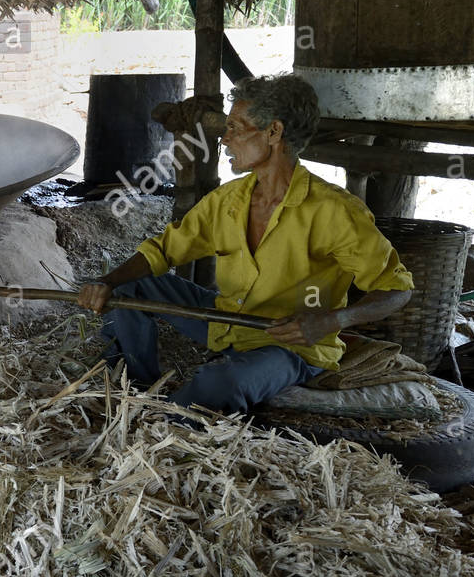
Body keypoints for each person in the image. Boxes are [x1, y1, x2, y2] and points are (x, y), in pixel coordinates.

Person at [78, 73, 414, 416]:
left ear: (274, 132)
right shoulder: (228, 200)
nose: (224, 139)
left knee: (219, 383)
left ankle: (160, 424)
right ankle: (132, 393)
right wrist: (107, 283)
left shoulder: (334, 211)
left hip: (289, 346)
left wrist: (331, 320)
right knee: (129, 285)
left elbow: (397, 289)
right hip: (228, 321)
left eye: (236, 128)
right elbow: (163, 252)